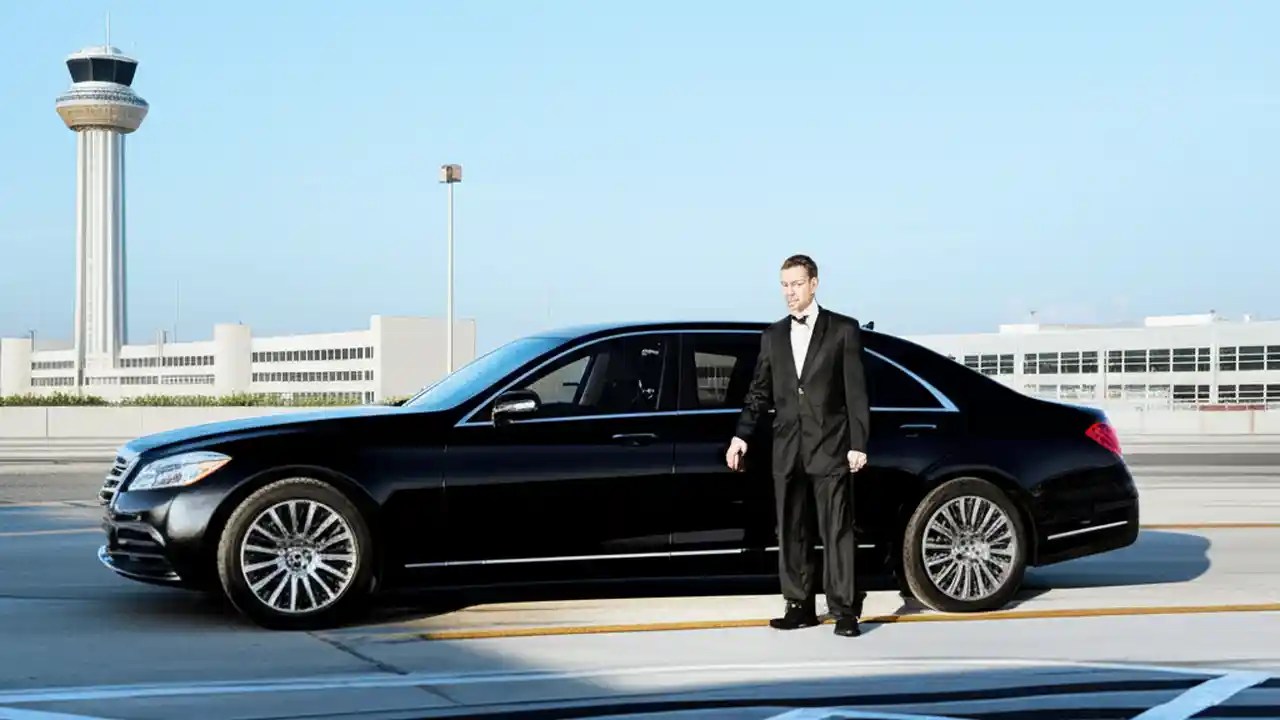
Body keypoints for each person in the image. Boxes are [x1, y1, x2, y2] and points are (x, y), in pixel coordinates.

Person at [726, 253, 871, 637]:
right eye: (784, 285)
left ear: (814, 283)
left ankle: (844, 611)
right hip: (787, 448)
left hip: (831, 446)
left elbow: (856, 392)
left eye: (796, 284)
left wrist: (858, 442)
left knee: (836, 530)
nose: (789, 292)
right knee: (791, 530)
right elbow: (758, 392)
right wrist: (742, 435)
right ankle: (799, 605)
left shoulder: (843, 330)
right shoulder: (773, 335)